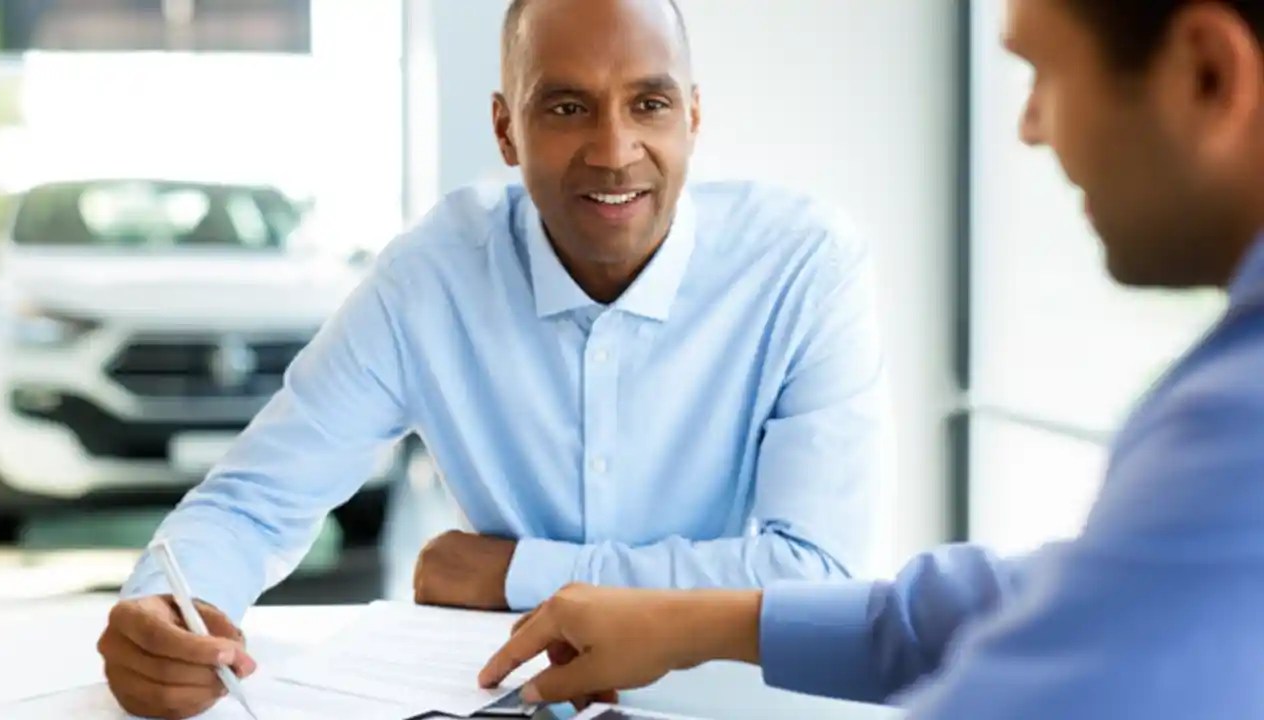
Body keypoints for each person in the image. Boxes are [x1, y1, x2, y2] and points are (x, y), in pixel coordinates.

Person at [95, 0, 886, 717]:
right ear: (507, 129)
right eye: (567, 107)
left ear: (693, 117)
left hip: (733, 703)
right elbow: (255, 502)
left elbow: (814, 577)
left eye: (650, 104)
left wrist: (515, 573)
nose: (615, 151)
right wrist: (168, 603)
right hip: (510, 703)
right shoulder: (433, 277)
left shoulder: (801, 267)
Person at [479, 0, 1264, 717]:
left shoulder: (1237, 426)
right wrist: (693, 622)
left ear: (1207, 75)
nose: (1030, 126)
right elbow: (1071, 598)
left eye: (1044, 74)